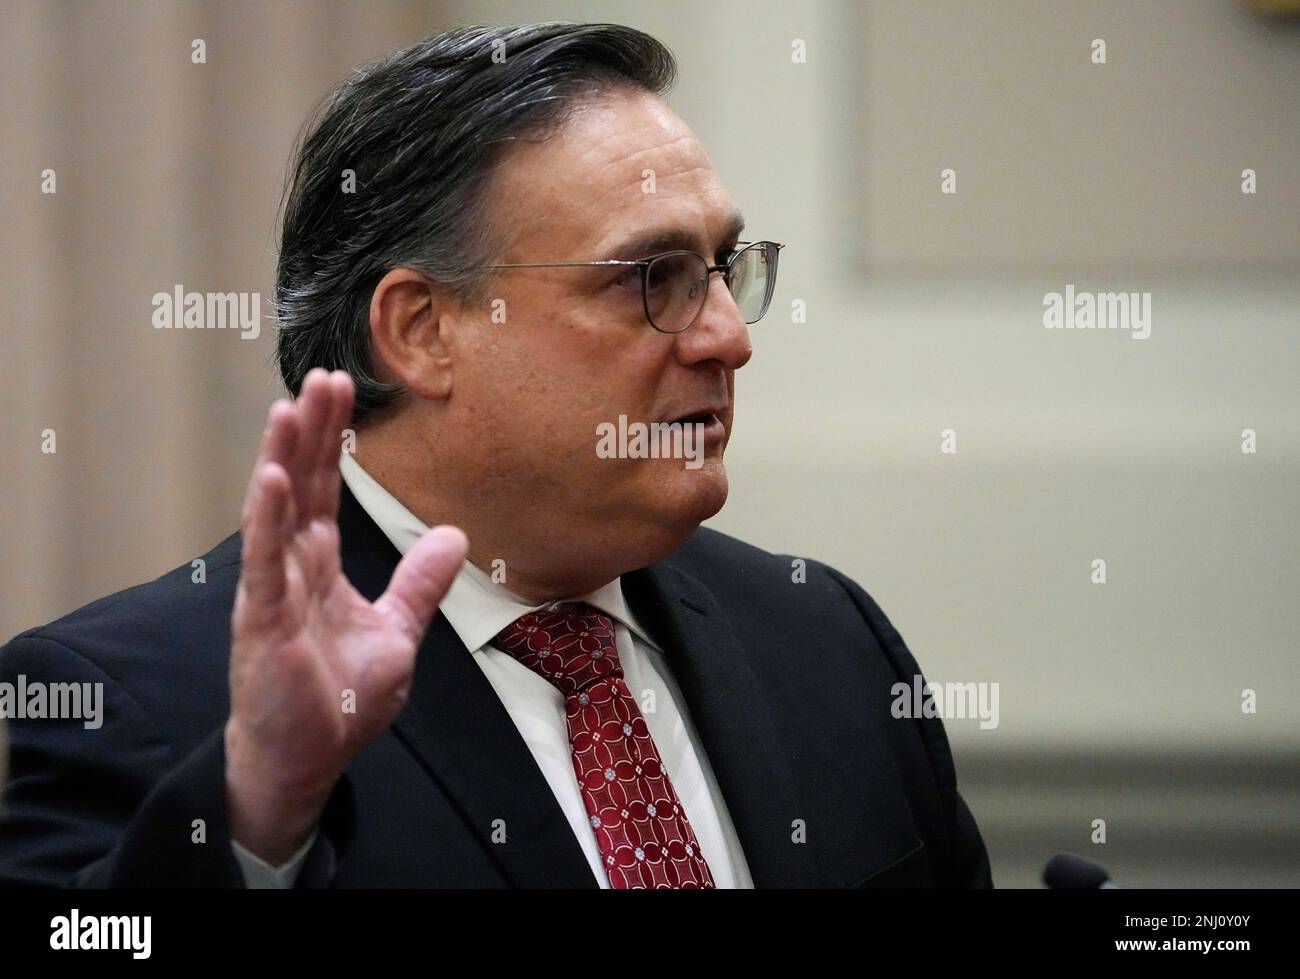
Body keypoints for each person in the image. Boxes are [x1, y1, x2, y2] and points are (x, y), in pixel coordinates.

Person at [0, 22, 991, 888]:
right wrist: (261, 810)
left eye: (725, 268)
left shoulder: (826, 640)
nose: (728, 336)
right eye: (654, 277)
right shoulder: (141, 702)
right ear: (423, 329)